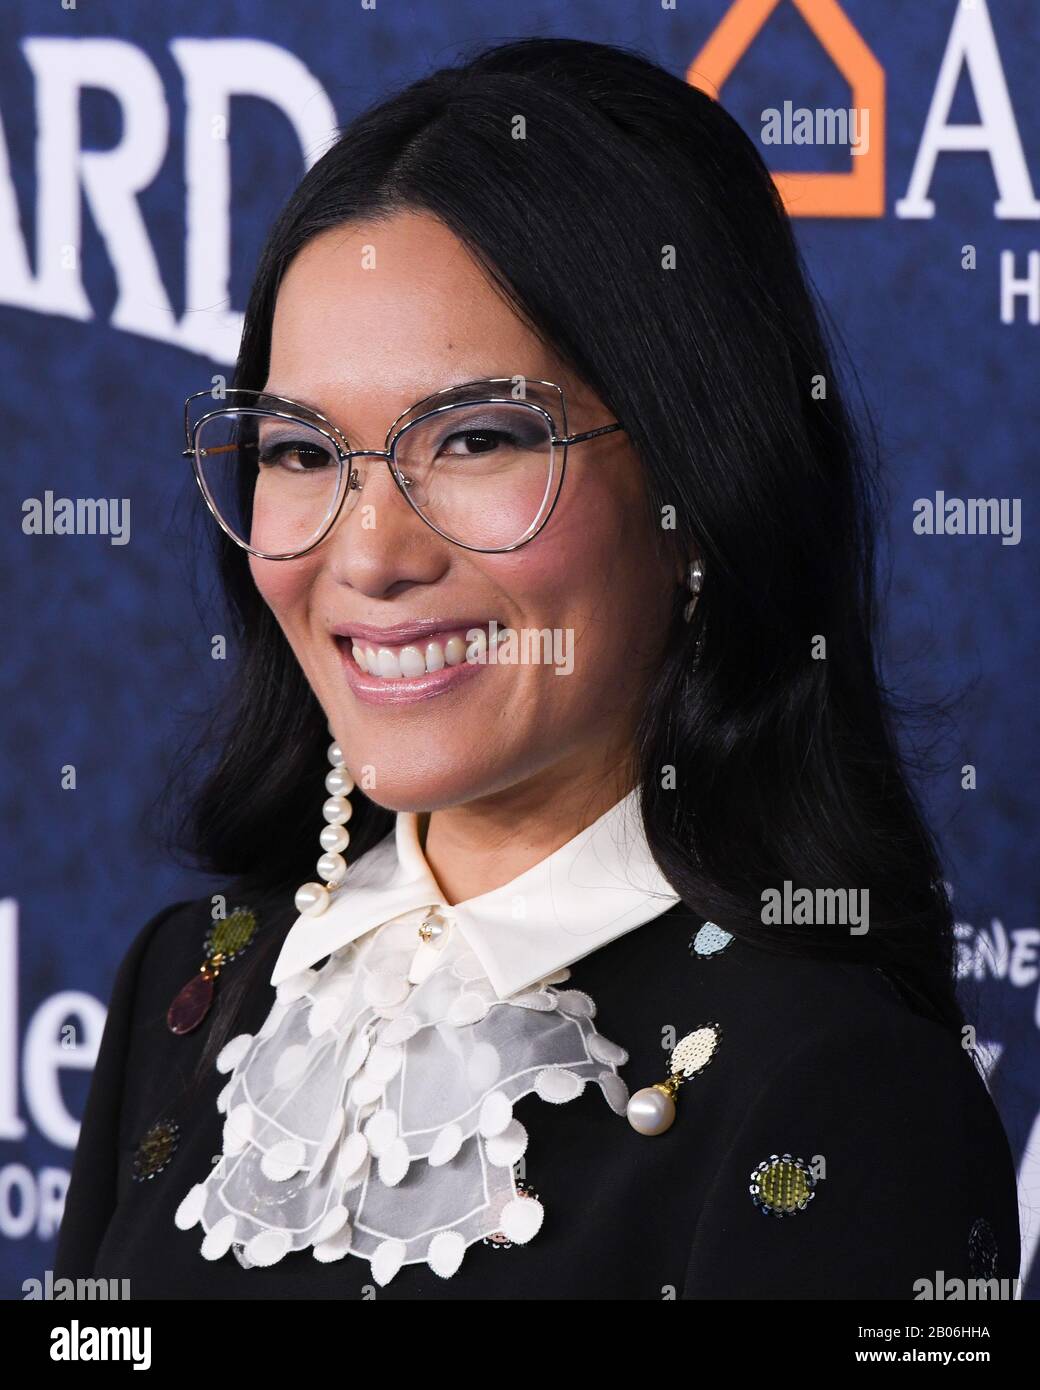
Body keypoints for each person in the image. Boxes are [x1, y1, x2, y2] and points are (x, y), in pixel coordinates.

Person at [55, 36, 1020, 1299]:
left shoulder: (836, 1092)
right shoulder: (191, 987)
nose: (368, 553)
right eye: (299, 452)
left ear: (693, 482)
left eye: (474, 438)